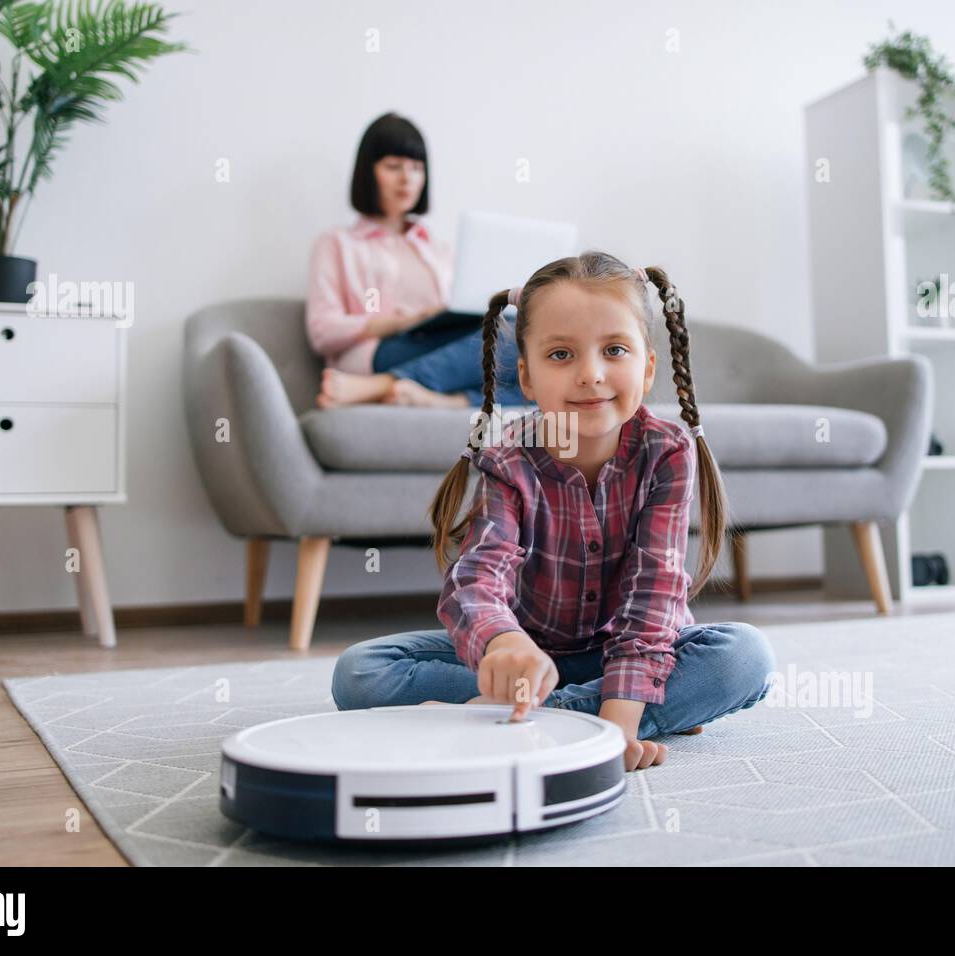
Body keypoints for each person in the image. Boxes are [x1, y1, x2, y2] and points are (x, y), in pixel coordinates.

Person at [331, 251, 776, 773]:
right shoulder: (508, 459)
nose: (590, 375)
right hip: (528, 658)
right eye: (561, 355)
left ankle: (543, 720)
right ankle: (607, 710)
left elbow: (653, 595)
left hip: (629, 653)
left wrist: (620, 721)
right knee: (360, 672)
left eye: (614, 350)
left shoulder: (667, 453)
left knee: (744, 657)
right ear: (526, 377)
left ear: (647, 365)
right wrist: (504, 644)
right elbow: (478, 576)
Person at [307, 112, 529, 409]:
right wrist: (403, 322)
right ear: (367, 172)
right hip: (383, 350)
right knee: (507, 334)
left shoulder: (437, 249)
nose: (407, 178)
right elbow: (323, 331)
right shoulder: (337, 243)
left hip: (444, 347)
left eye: (416, 167)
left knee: (530, 348)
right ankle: (384, 383)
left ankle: (441, 400)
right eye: (393, 166)